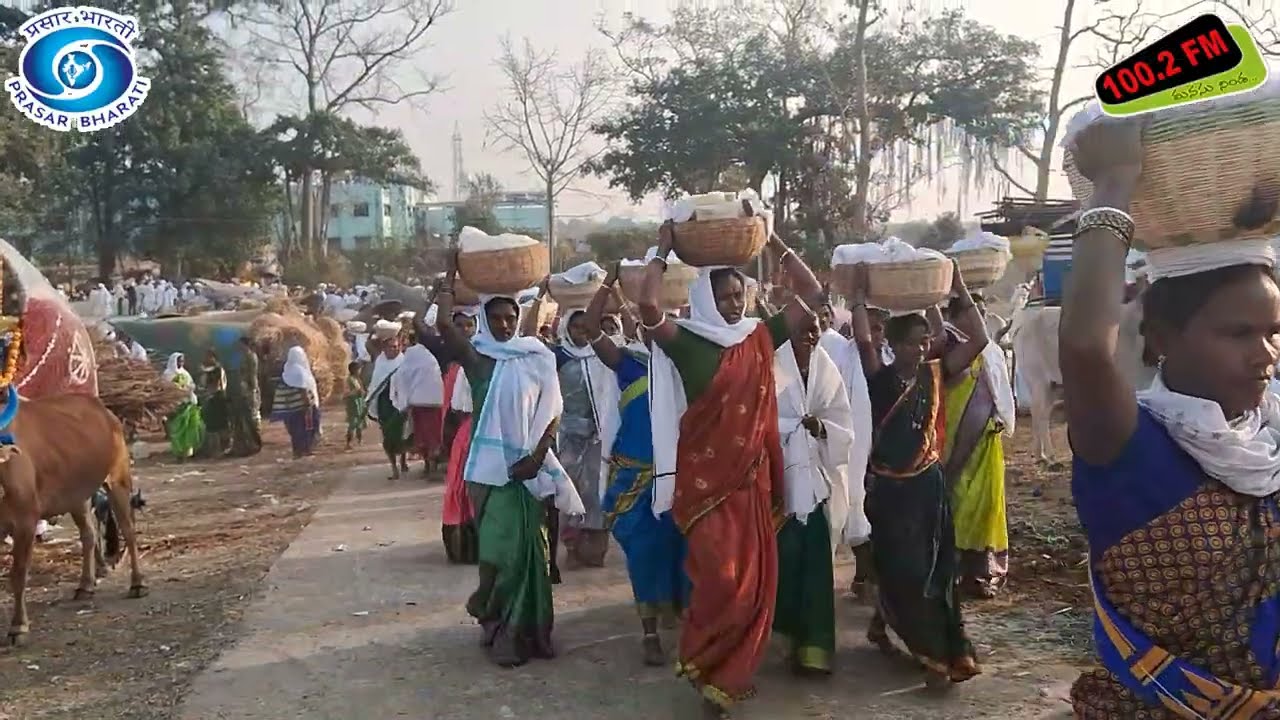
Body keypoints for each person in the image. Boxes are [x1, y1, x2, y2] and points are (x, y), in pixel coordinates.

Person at [1062, 116, 1280, 717]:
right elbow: (1084, 346)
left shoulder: (1269, 439)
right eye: (1239, 333)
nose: (1264, 354)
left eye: (1273, 333)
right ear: (1159, 338)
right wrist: (1114, 182)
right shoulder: (1129, 446)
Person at [640, 220, 824, 717]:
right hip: (705, 490)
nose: (734, 304)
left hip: (751, 484)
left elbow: (812, 292)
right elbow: (649, 308)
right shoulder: (688, 342)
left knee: (753, 585)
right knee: (721, 580)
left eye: (740, 294)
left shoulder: (760, 337)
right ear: (705, 299)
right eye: (724, 296)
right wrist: (661, 252)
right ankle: (704, 660)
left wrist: (777, 241)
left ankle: (726, 679)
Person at [433, 252, 585, 668]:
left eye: (509, 318)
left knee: (532, 553)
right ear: (484, 319)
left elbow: (552, 412)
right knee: (500, 554)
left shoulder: (536, 356)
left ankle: (530, 631)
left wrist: (537, 458)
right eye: (495, 318)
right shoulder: (479, 359)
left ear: (517, 318)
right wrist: (450, 274)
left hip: (529, 471)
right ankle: (496, 620)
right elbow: (444, 324)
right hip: (488, 474)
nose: (503, 325)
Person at [845, 261, 987, 689]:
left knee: (935, 572)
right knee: (903, 569)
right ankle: (925, 649)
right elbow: (863, 339)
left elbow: (979, 339)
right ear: (893, 344)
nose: (922, 348)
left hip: (928, 488)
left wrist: (956, 287)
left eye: (926, 341)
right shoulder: (879, 378)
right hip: (890, 492)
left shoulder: (935, 373)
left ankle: (936, 652)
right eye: (913, 343)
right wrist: (857, 298)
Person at [585, 265, 688, 666]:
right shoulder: (629, 364)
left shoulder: (687, 365)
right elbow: (591, 326)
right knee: (645, 554)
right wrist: (609, 283)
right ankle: (649, 634)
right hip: (635, 480)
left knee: (684, 555)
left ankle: (685, 626)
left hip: (680, 479)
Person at [772, 312, 862, 675]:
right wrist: (788, 430)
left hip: (819, 486)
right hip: (782, 492)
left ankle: (816, 649)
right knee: (786, 568)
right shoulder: (771, 368)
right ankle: (789, 639)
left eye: (814, 331)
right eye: (802, 330)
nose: (810, 337)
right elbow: (759, 421)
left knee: (818, 572)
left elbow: (844, 423)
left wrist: (821, 427)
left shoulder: (826, 369)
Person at [523, 279, 615, 568]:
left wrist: (614, 290)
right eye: (576, 327)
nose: (582, 333)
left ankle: (596, 545)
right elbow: (527, 337)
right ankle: (573, 545)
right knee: (570, 491)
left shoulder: (602, 354)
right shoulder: (557, 356)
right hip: (569, 436)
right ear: (567, 328)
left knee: (598, 492)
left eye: (586, 326)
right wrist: (539, 296)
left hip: (599, 437)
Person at [941, 296, 1016, 599]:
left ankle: (983, 572)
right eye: (974, 313)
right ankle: (953, 571)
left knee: (986, 507)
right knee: (956, 502)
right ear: (954, 318)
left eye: (983, 313)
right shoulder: (948, 350)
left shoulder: (992, 353)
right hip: (952, 440)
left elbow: (1001, 395)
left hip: (986, 442)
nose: (980, 319)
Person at [441, 308, 479, 564]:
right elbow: (455, 409)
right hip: (468, 432)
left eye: (469, 324)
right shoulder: (451, 355)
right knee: (464, 490)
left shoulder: (491, 354)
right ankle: (466, 548)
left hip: (494, 430)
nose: (465, 330)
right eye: (460, 325)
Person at [392, 342, 445, 477]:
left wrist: (403, 404)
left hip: (418, 405)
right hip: (436, 404)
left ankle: (428, 467)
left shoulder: (407, 364)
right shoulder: (432, 362)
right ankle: (433, 467)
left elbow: (402, 384)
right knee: (435, 435)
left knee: (422, 436)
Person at [366, 334, 411, 478]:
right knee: (388, 436)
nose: (395, 349)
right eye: (392, 347)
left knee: (402, 434)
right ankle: (394, 468)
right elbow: (375, 384)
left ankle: (403, 462)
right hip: (384, 404)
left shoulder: (404, 362)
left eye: (398, 346)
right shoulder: (380, 363)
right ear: (384, 348)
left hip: (400, 403)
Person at [274, 346, 321, 458]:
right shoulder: (300, 371)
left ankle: (297, 451)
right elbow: (303, 388)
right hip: (302, 407)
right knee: (307, 427)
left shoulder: (287, 369)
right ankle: (306, 449)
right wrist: (308, 403)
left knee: (295, 430)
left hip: (290, 406)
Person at [228, 337, 263, 457]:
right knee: (244, 418)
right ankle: (247, 444)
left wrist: (252, 390)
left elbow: (252, 375)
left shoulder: (250, 356)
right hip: (245, 390)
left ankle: (254, 444)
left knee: (250, 418)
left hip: (249, 391)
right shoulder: (246, 356)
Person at [164, 353, 203, 460]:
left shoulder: (185, 373)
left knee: (189, 428)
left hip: (188, 403)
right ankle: (179, 453)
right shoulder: (168, 374)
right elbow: (167, 388)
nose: (181, 363)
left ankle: (188, 451)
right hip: (176, 405)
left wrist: (189, 388)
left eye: (182, 360)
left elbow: (191, 384)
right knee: (177, 429)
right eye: (179, 360)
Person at [198, 349, 230, 457]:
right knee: (211, 424)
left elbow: (220, 384)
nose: (207, 358)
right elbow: (203, 384)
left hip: (218, 398)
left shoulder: (218, 370)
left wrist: (212, 393)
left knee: (221, 423)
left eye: (209, 356)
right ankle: (213, 448)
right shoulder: (205, 370)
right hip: (210, 399)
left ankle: (224, 446)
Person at [344, 361, 367, 449]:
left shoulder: (357, 379)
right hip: (353, 404)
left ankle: (359, 441)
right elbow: (346, 393)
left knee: (359, 423)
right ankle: (348, 443)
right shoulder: (349, 380)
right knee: (353, 424)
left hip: (359, 403)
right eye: (359, 369)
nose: (360, 371)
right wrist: (356, 392)